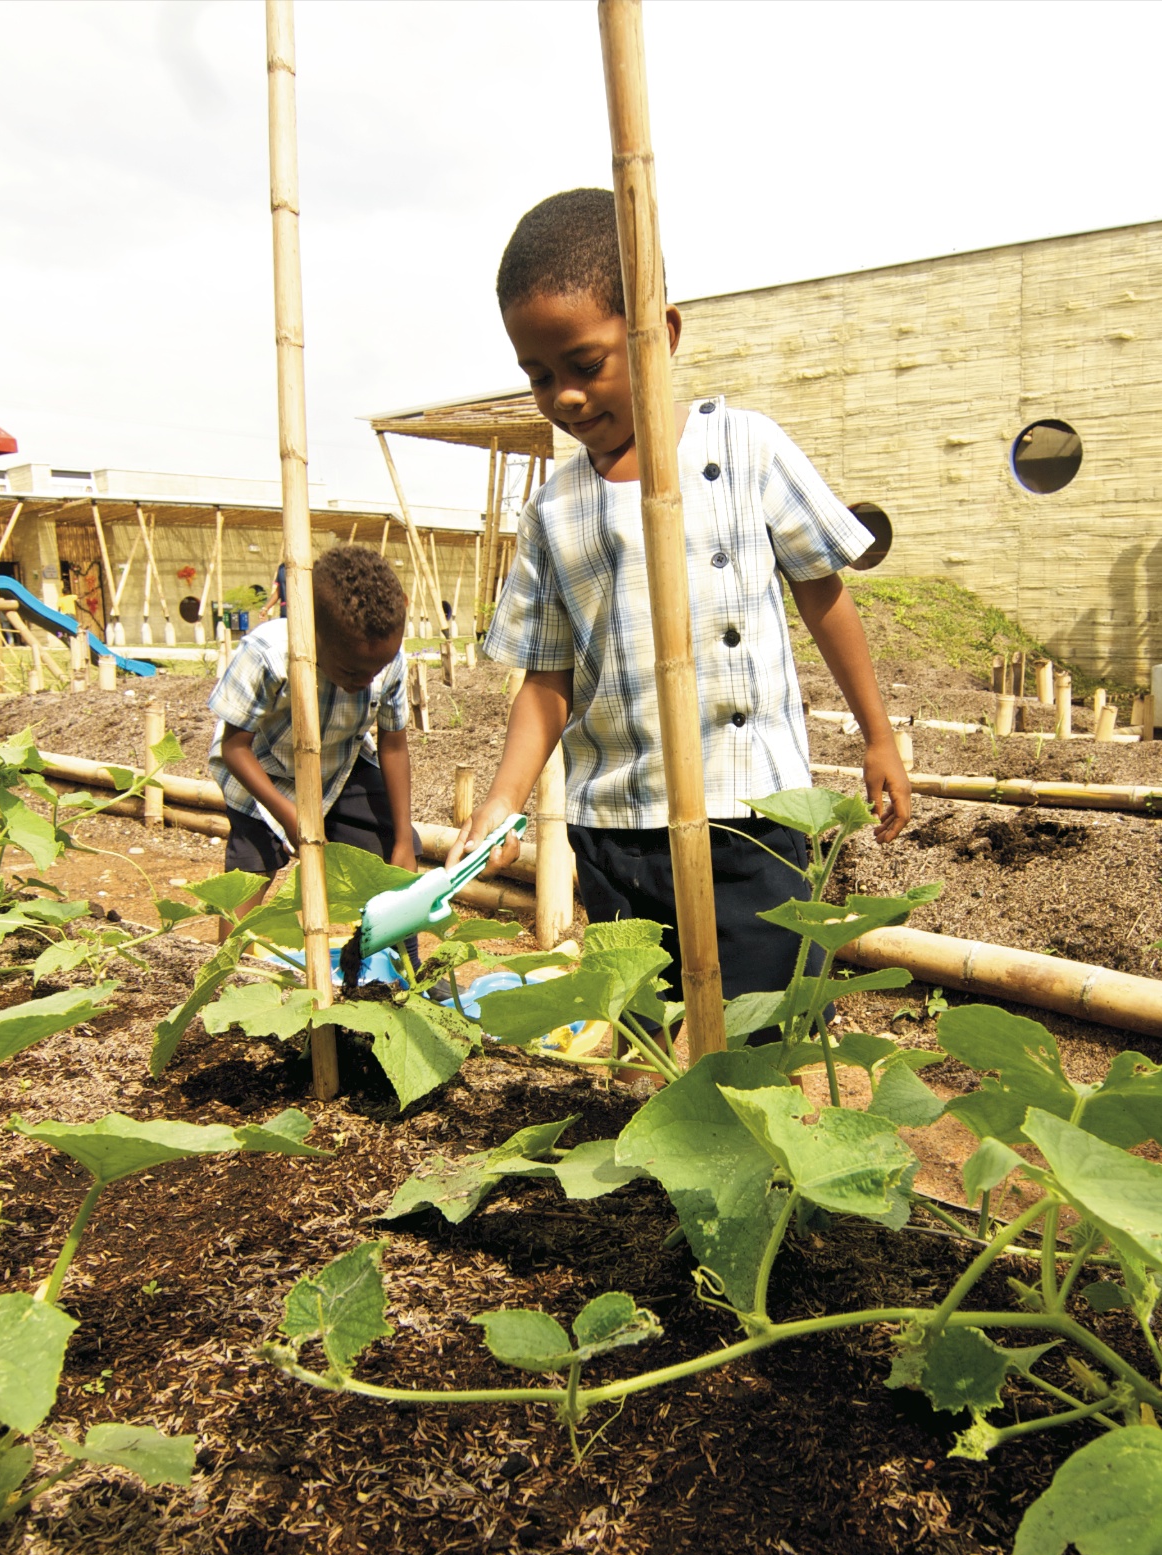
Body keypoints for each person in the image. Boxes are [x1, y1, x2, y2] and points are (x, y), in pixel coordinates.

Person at [451, 187, 911, 1009]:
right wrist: (499, 802)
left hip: (753, 817)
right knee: (653, 1033)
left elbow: (823, 593)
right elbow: (546, 681)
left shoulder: (745, 448)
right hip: (616, 827)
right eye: (537, 375)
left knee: (759, 1032)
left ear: (658, 333)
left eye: (584, 364)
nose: (563, 395)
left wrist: (878, 737)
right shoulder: (553, 510)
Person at [208, 543, 416, 929]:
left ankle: (412, 969)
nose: (368, 679)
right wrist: (289, 816)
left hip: (339, 764)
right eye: (353, 671)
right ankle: (231, 967)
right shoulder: (269, 654)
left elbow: (394, 744)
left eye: (378, 668)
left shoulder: (388, 660)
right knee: (249, 873)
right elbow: (233, 748)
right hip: (261, 773)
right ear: (312, 632)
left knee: (391, 859)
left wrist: (403, 836)